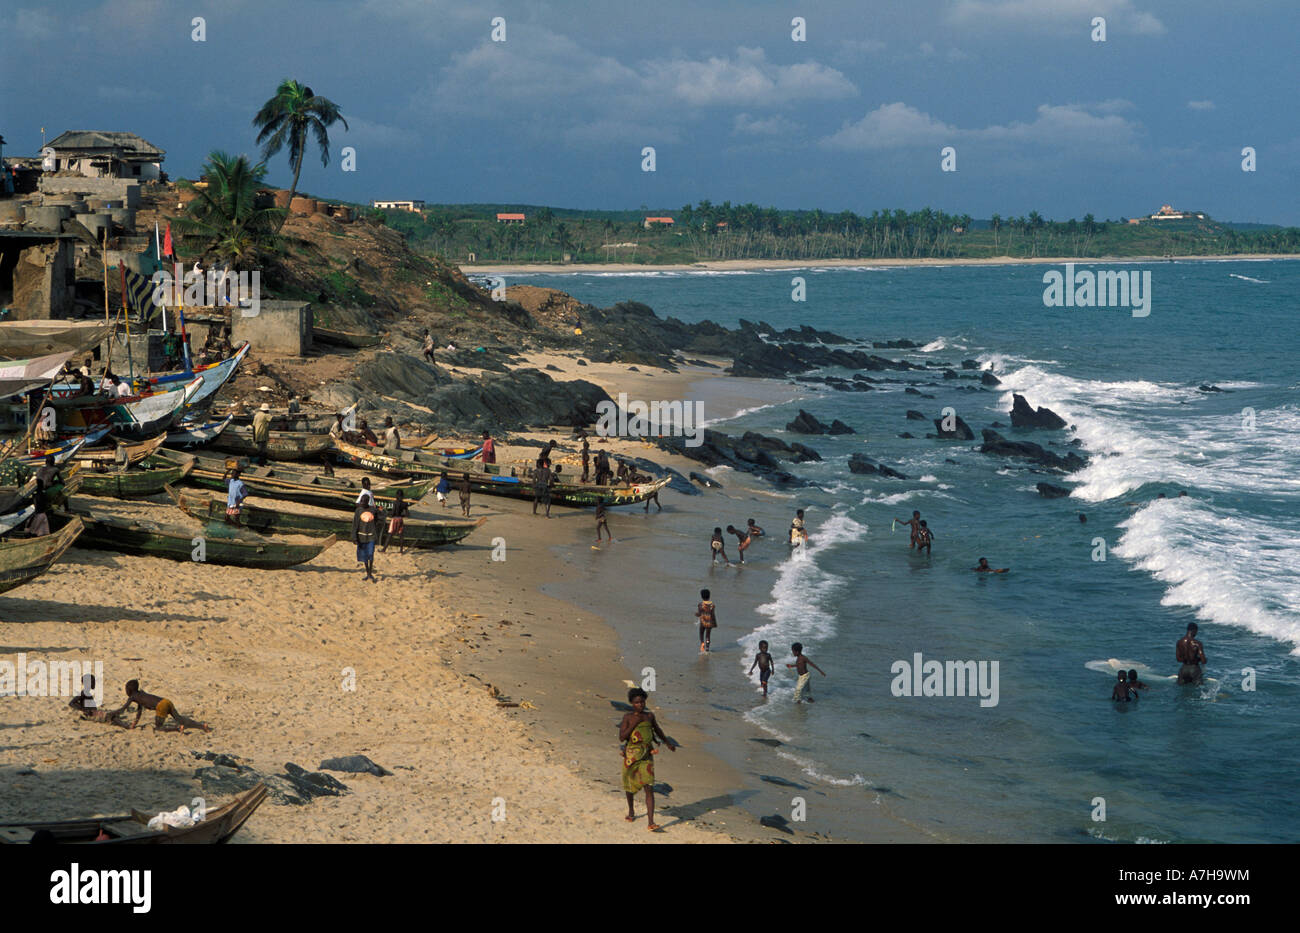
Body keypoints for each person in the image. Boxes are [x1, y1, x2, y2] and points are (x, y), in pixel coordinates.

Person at [619, 687, 674, 831]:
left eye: (642, 702)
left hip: (647, 755)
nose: (640, 705)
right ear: (632, 703)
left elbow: (657, 730)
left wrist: (667, 742)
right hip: (631, 755)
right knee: (630, 785)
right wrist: (634, 724)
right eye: (637, 703)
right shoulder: (628, 717)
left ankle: (651, 821)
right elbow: (622, 737)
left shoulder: (649, 716)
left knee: (648, 786)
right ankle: (631, 811)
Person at [115, 679, 210, 732]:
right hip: (166, 701)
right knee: (180, 719)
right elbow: (139, 711)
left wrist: (112, 714)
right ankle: (202, 726)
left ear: (129, 690)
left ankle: (177, 729)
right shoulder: (140, 694)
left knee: (158, 727)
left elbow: (123, 709)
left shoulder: (132, 697)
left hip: (161, 706)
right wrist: (134, 724)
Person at [353, 497, 380, 582]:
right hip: (361, 536)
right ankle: (368, 573)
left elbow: (379, 518)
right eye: (361, 501)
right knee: (364, 556)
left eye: (363, 501)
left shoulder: (373, 510)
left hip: (371, 536)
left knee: (370, 555)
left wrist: (380, 510)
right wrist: (354, 537)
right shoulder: (358, 511)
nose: (361, 502)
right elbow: (355, 524)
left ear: (367, 502)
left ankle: (370, 572)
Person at [382, 488, 408, 554]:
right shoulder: (405, 504)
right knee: (401, 535)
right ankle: (401, 550)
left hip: (395, 519)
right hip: (400, 519)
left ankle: (384, 549)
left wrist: (387, 513)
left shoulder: (395, 503)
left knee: (390, 535)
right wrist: (402, 516)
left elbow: (393, 512)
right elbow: (407, 513)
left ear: (396, 495)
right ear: (402, 496)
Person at [696, 588, 717, 653]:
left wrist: (697, 614)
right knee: (708, 635)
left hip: (703, 622)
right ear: (709, 596)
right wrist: (714, 622)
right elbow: (712, 614)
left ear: (701, 596)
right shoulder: (712, 605)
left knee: (701, 633)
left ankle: (702, 643)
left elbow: (699, 613)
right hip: (710, 622)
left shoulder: (700, 604)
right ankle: (707, 648)